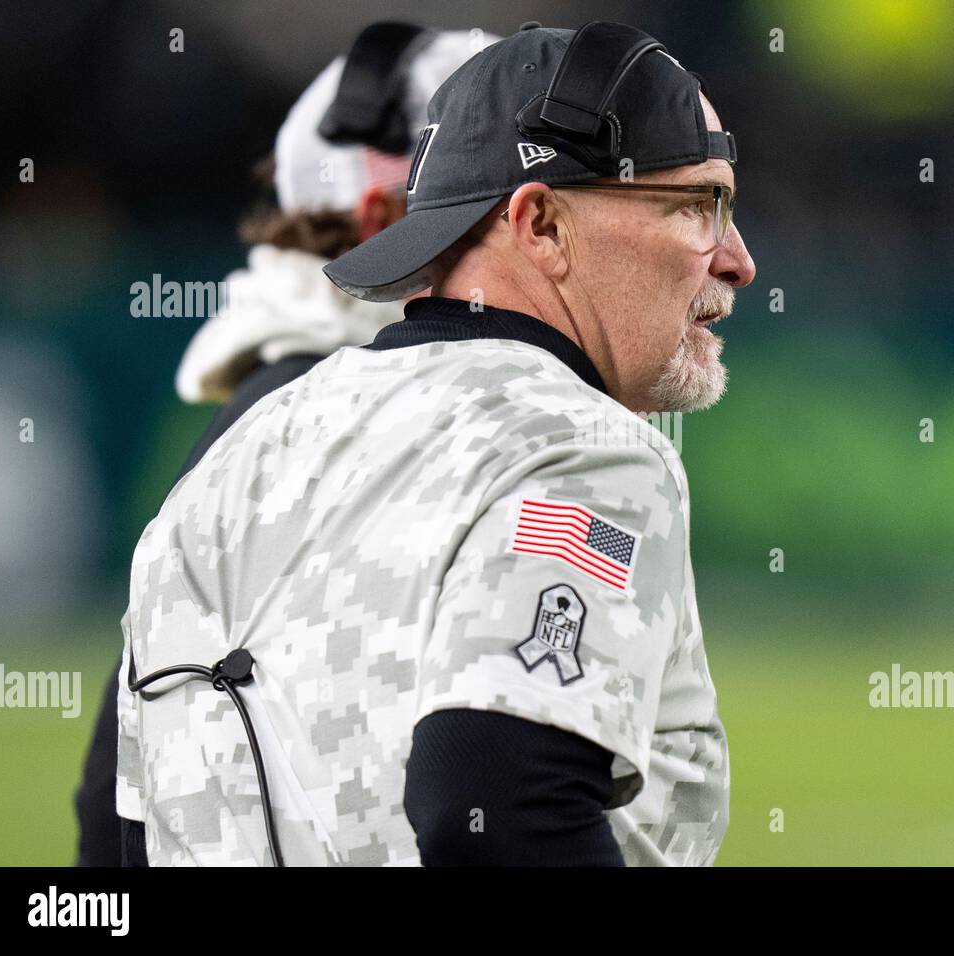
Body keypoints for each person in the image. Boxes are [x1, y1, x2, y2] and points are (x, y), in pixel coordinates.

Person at [116, 20, 755, 866]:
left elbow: (128, 840)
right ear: (542, 225)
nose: (738, 260)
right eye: (696, 206)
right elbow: (500, 803)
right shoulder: (582, 451)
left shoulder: (233, 457)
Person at [72, 21, 496, 866]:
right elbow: (130, 783)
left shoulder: (317, 403)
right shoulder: (312, 424)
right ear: (381, 216)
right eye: (497, 202)